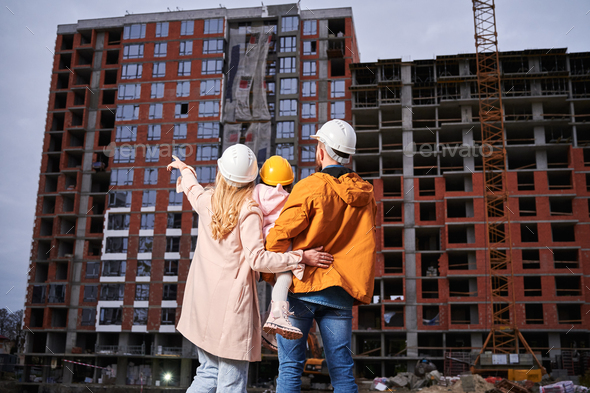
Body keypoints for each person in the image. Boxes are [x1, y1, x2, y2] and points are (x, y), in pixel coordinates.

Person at [168, 144, 334, 392]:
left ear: (220, 171)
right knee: (231, 384)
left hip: (201, 307)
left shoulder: (207, 200)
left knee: (206, 375)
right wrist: (300, 257)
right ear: (252, 179)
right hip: (231, 312)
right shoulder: (249, 211)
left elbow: (192, 187)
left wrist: (184, 168)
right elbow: (257, 259)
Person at [262, 119, 377, 393]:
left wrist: (277, 273)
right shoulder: (366, 195)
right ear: (349, 155)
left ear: (321, 150)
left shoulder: (309, 187)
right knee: (342, 373)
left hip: (301, 290)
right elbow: (366, 246)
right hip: (340, 293)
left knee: (289, 368)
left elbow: (276, 239)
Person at [251, 156, 307, 349]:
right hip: (280, 242)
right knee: (285, 276)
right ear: (289, 182)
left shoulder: (255, 192)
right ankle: (277, 315)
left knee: (276, 284)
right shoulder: (289, 197)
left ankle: (268, 326)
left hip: (260, 242)